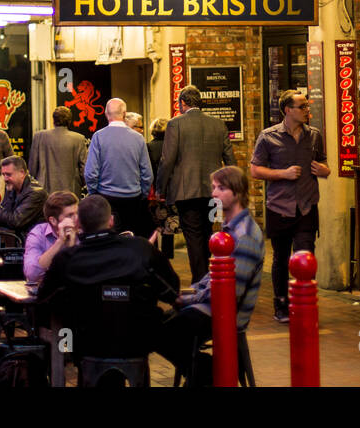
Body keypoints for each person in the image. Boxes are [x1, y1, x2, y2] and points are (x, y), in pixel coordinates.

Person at [36, 194, 180, 360]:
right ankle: (197, 368)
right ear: (111, 221)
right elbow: (171, 289)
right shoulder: (140, 248)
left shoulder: (67, 258)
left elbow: (43, 300)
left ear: (78, 223)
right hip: (137, 340)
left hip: (86, 343)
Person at [156, 166, 264, 384]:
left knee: (162, 332)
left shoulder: (245, 236)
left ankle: (205, 372)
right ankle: (201, 371)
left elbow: (228, 294)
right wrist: (187, 294)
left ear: (238, 192)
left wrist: (186, 299)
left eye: (221, 188)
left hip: (226, 315)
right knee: (155, 324)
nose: (213, 193)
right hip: (212, 307)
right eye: (214, 187)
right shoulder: (229, 228)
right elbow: (212, 279)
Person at [250, 89, 329, 324]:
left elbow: (324, 164)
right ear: (288, 110)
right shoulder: (268, 137)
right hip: (280, 206)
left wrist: (324, 171)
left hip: (306, 206)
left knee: (306, 256)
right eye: (302, 106)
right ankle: (281, 304)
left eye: (307, 106)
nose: (307, 110)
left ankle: (306, 305)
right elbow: (255, 170)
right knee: (281, 259)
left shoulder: (314, 135)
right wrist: (282, 174)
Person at [158, 85, 236, 282]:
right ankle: (208, 277)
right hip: (214, 192)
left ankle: (200, 279)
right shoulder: (218, 125)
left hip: (186, 192)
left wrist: (161, 188)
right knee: (208, 230)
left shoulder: (175, 124)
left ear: (182, 103)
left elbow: (167, 160)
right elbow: (230, 160)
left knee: (193, 235)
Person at [85, 98, 154, 238]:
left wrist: (94, 193)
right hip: (133, 198)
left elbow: (90, 173)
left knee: (110, 239)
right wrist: (143, 194)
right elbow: (147, 174)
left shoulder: (98, 137)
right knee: (131, 239)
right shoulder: (138, 138)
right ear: (124, 114)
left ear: (106, 114)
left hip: (106, 197)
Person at [27, 106, 88, 197]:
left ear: (53, 120)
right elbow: (84, 168)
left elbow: (32, 166)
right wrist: (82, 183)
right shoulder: (79, 139)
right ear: (69, 121)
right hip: (71, 191)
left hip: (44, 191)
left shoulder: (39, 136)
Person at [23, 191, 79, 287]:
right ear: (53, 220)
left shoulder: (83, 231)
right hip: (48, 293)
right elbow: (32, 274)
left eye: (77, 213)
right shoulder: (38, 233)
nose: (76, 218)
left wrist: (72, 246)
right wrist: (60, 241)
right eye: (70, 215)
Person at [0, 156, 47, 239]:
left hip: (33, 241)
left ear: (22, 173)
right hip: (16, 239)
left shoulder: (36, 193)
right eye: (3, 174)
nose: (5, 179)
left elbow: (16, 221)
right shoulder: (12, 187)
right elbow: (5, 216)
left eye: (8, 174)